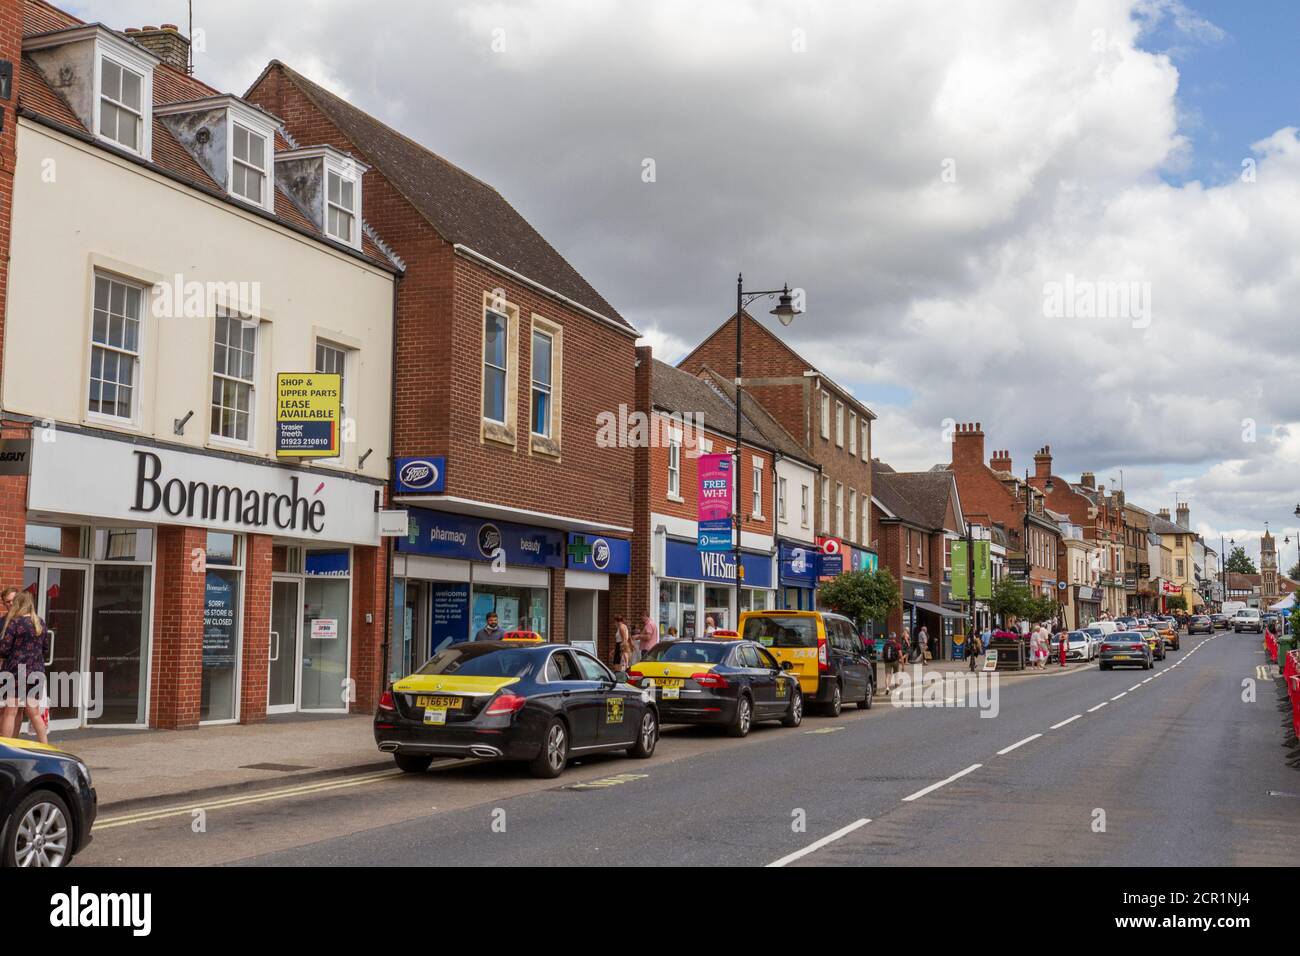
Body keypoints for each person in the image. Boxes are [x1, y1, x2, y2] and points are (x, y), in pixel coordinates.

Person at [0, 591, 50, 744]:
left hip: (16, 671)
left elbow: (4, 648)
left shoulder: (14, 622)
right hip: (36, 671)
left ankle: (5, 749)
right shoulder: (40, 622)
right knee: (34, 713)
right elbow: (45, 648)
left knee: (10, 711)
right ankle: (45, 745)